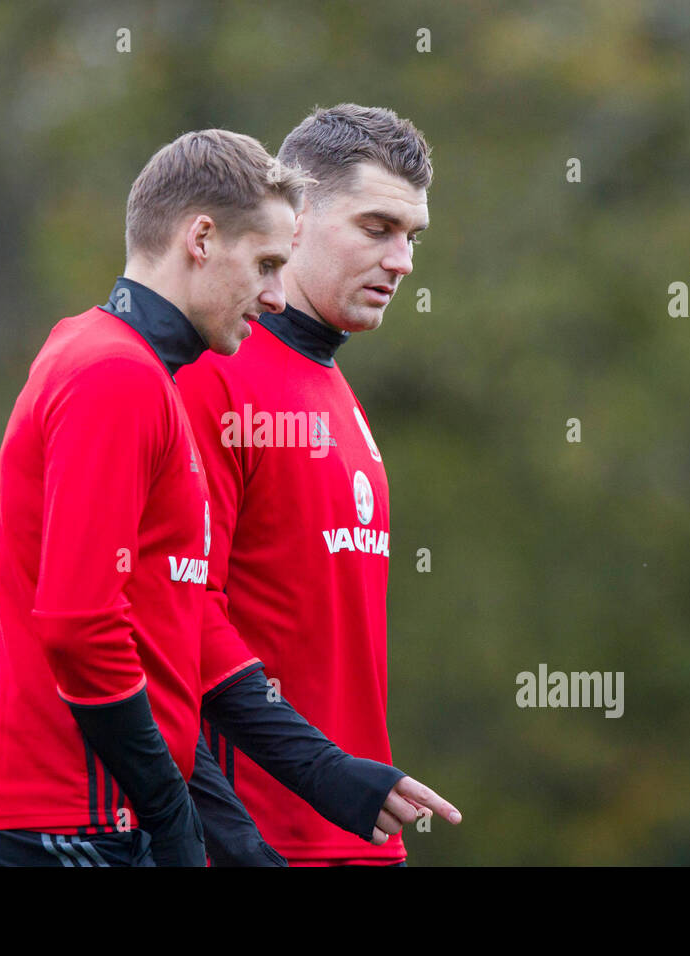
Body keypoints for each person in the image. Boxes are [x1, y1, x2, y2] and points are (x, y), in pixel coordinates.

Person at [0, 129, 308, 866]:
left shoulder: (130, 367)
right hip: (66, 822)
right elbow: (78, 624)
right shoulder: (114, 374)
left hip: (92, 818)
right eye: (267, 265)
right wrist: (175, 822)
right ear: (201, 239)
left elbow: (155, 625)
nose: (276, 297)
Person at [177, 104, 447, 866]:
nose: (403, 261)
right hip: (261, 843)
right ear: (294, 219)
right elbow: (178, 617)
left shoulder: (334, 387)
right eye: (376, 228)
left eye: (412, 237)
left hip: (357, 839)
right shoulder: (215, 375)